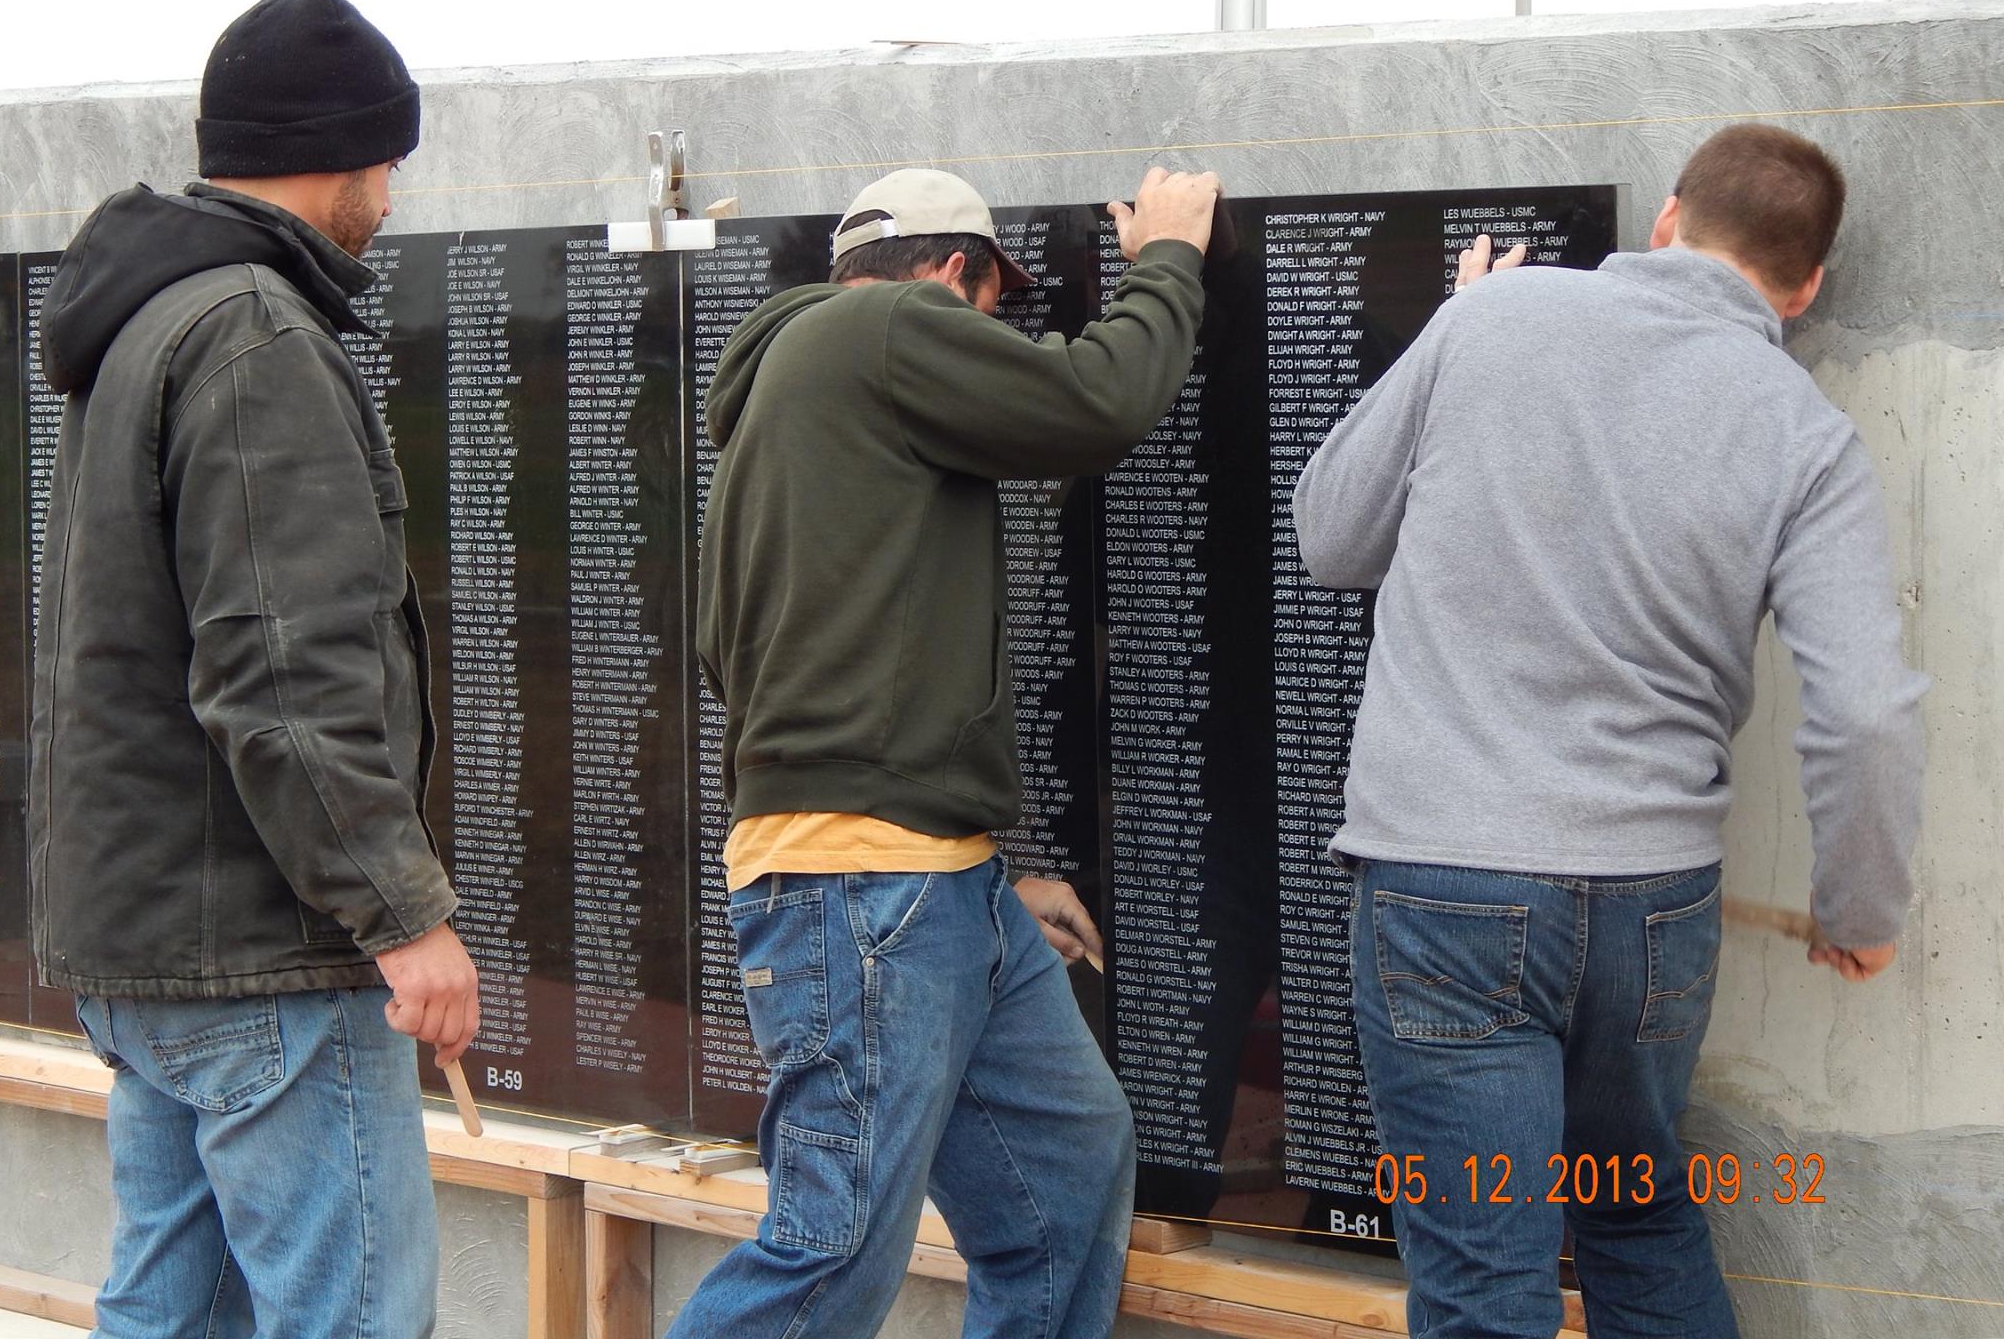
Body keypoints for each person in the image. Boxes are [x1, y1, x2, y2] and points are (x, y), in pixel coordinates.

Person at [1293, 124, 1925, 1339]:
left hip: (1446, 887)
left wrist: (1456, 326)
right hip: (1653, 909)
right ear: (1802, 289)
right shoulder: (1803, 434)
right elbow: (1860, 711)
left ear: (1665, 220)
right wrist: (1859, 912)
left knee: (1484, 1275)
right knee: (1637, 1221)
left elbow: (1331, 536)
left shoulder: (1490, 321)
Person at [675, 164, 1220, 1337]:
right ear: (950, 273)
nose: (990, 348)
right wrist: (1166, 261)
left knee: (1065, 1178)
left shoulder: (788, 398)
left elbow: (732, 661)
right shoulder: (885, 325)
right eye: (992, 316)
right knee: (833, 1249)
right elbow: (1096, 404)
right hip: (864, 888)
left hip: (918, 881)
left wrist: (961, 867)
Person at [30, 0, 478, 1339]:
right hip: (262, 956)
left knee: (168, 1315)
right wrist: (403, 915)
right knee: (346, 1318)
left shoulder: (151, 321)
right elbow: (283, 671)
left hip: (150, 948)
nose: (390, 198)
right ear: (343, 151)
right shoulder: (256, 338)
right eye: (387, 164)